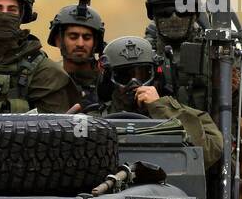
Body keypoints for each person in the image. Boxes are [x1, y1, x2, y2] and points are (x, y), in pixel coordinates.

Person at [89, 36, 223, 169]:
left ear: (156, 77)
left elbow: (206, 153)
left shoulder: (184, 114)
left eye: (143, 75)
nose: (135, 83)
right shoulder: (93, 119)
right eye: (125, 76)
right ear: (108, 80)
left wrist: (160, 108)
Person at [143, 0, 242, 116]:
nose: (174, 18)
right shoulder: (142, 54)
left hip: (211, 134)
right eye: (166, 11)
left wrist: (234, 89)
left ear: (195, 14)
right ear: (153, 14)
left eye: (182, 11)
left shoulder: (216, 49)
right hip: (152, 135)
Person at [46, 0, 105, 108]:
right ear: (59, 41)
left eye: (87, 37)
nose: (80, 43)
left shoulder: (107, 81)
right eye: (73, 37)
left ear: (96, 42)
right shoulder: (46, 79)